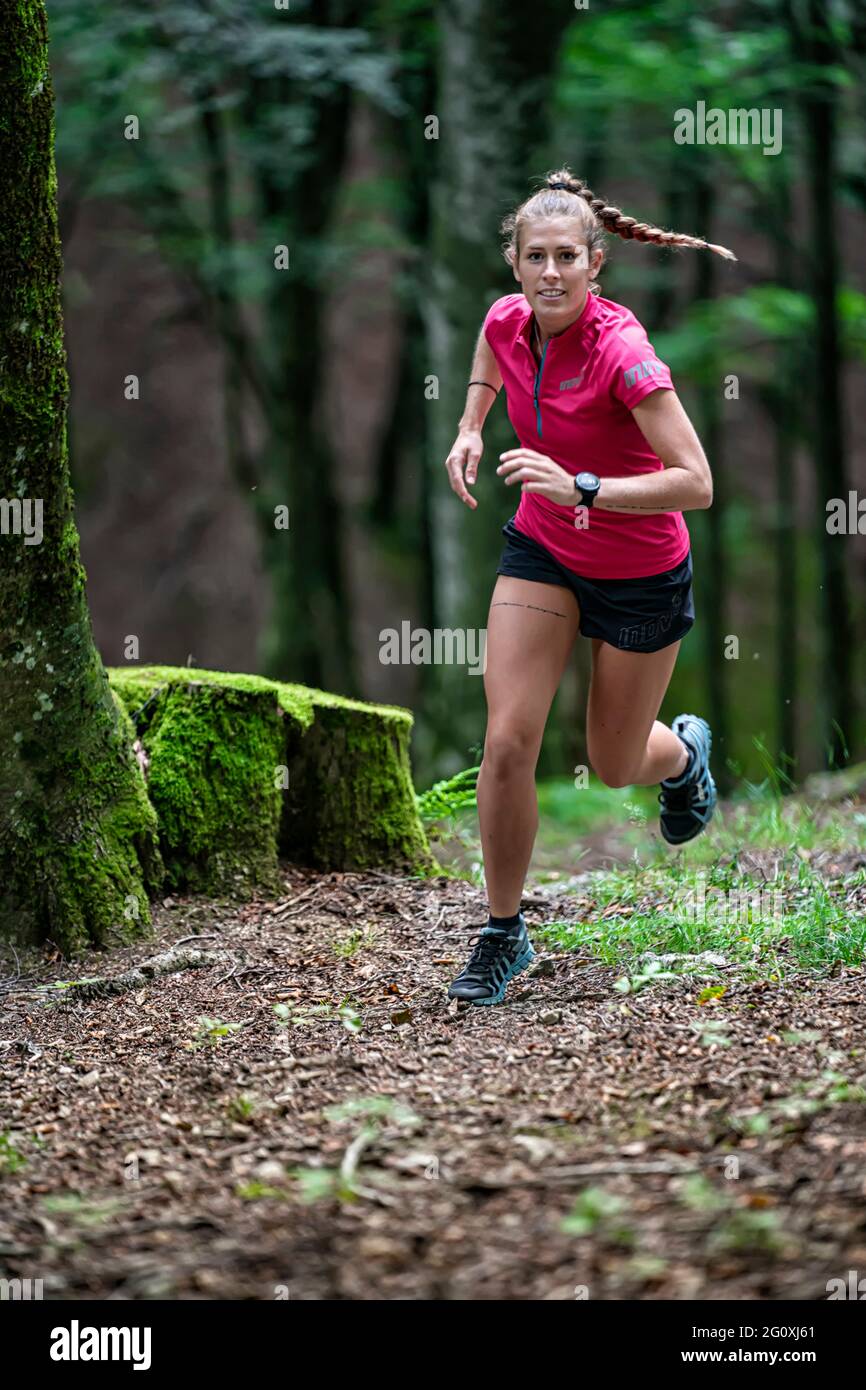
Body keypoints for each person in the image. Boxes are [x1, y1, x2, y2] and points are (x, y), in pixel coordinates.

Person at [444, 168, 737, 1006]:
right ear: (514, 262)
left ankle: (680, 755)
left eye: (566, 258)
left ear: (595, 262)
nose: (549, 274)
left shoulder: (624, 353)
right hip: (545, 553)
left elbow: (698, 482)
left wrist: (584, 486)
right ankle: (503, 932)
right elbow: (489, 361)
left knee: (613, 763)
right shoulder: (508, 320)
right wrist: (470, 427)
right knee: (508, 740)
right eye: (534, 257)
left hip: (642, 568)